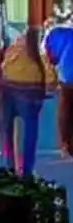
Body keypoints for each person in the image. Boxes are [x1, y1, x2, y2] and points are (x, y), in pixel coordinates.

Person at [0, 25, 57, 175]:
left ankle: (8, 167)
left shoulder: (13, 46)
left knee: (6, 129)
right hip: (31, 92)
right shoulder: (39, 52)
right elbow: (51, 78)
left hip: (8, 88)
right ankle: (27, 170)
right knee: (30, 131)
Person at [44, 11, 73, 157]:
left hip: (67, 75)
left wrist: (54, 62)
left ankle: (65, 144)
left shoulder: (60, 33)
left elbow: (50, 53)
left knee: (65, 107)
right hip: (67, 74)